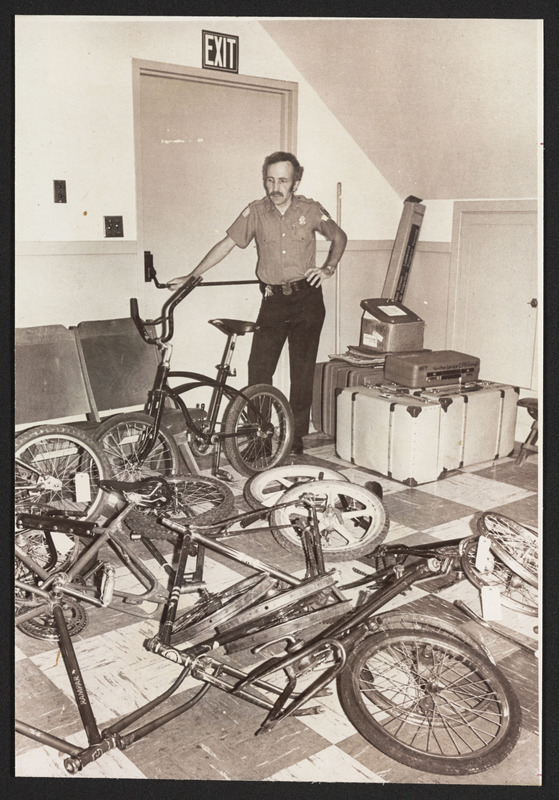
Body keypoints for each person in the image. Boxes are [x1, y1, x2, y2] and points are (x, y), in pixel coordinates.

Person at [168, 151, 347, 455]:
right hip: (274, 301)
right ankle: (258, 436)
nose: (275, 187)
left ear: (296, 182)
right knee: (259, 368)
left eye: (283, 180)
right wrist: (192, 276)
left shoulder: (311, 210)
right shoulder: (255, 212)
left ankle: (296, 436)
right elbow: (227, 244)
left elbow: (339, 236)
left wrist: (328, 268)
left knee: (301, 372)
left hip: (307, 300)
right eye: (270, 179)